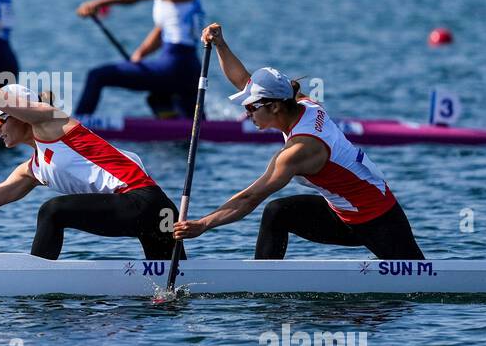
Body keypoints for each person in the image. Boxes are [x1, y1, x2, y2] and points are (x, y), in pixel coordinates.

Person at [0, 40, 186, 261]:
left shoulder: (51, 121)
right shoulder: (31, 170)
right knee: (170, 294)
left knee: (52, 210)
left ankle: (37, 278)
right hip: (154, 213)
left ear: (21, 115)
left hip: (145, 203)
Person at [173, 24, 425, 260]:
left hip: (377, 219)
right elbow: (243, 80)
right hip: (341, 214)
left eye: (250, 107)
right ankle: (264, 286)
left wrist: (202, 224)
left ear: (273, 107)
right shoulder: (301, 103)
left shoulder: (298, 150)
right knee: (278, 212)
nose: (246, 114)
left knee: (415, 287)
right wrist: (221, 45)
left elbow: (249, 198)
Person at [73, 0, 205, 119]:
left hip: (175, 66)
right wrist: (140, 54)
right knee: (197, 128)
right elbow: (163, 30)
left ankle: (76, 129)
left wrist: (98, 3)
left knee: (97, 76)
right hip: (188, 69)